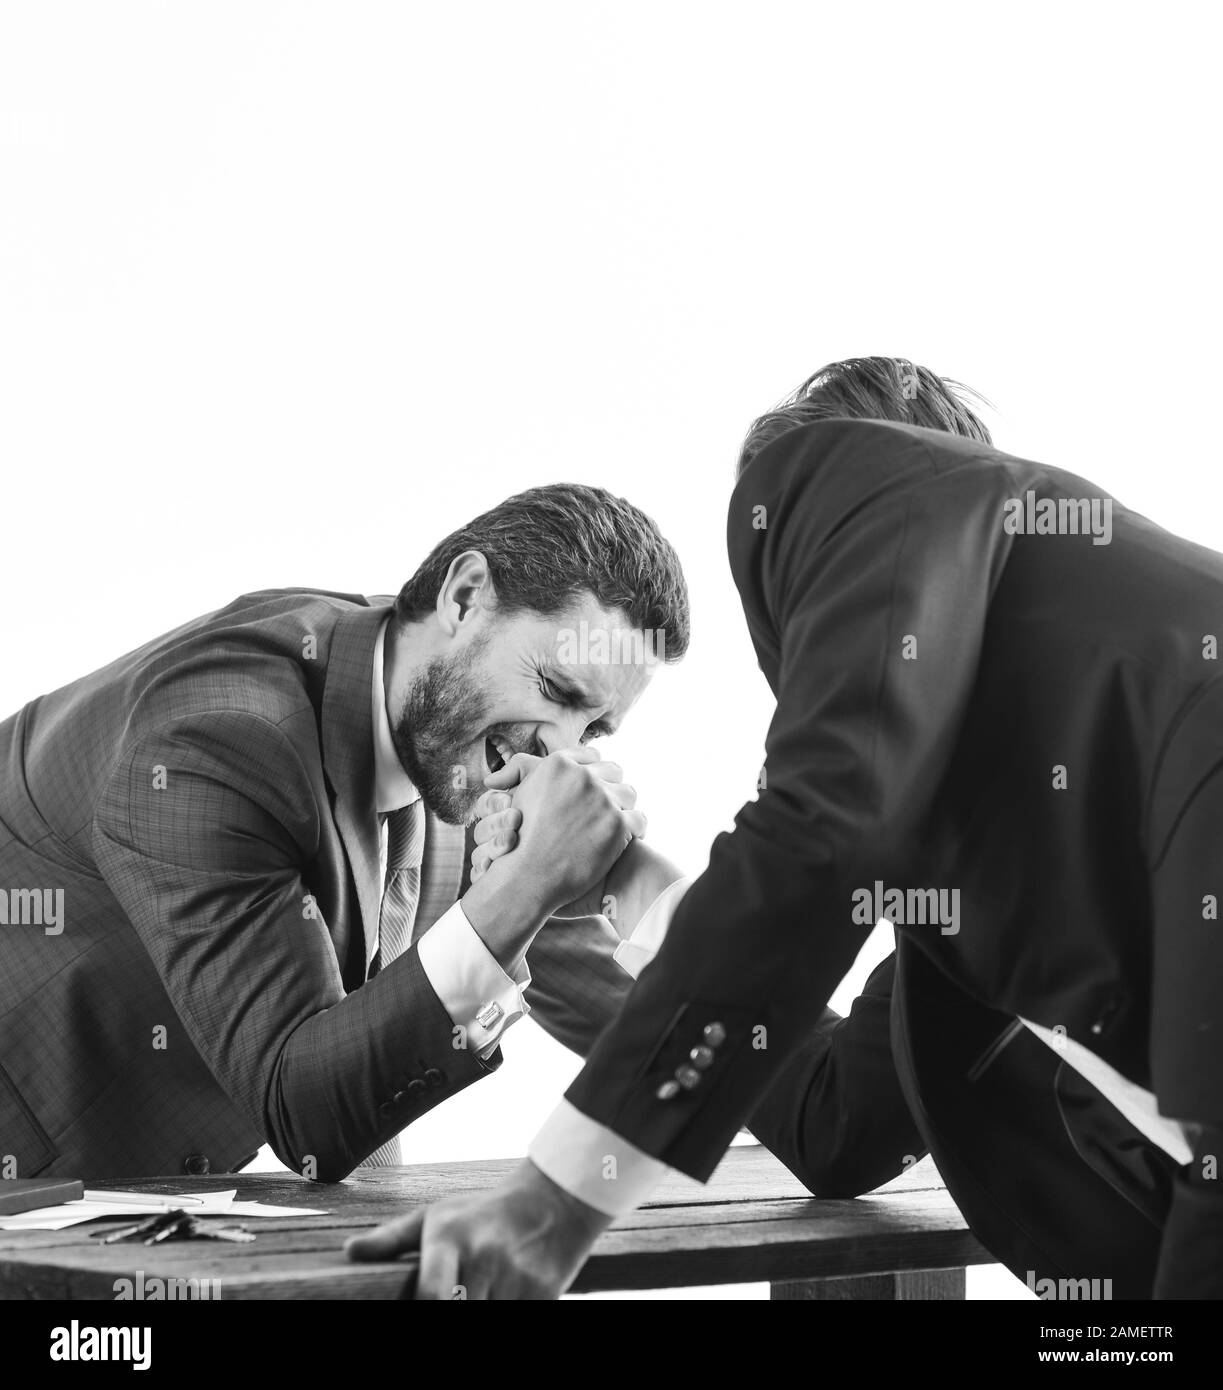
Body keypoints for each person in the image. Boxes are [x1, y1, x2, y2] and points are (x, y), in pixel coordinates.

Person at [348, 357, 1223, 1299]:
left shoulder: (838, 476)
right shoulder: (971, 900)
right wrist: (622, 883)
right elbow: (834, 1121)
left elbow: (814, 843)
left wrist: (555, 1201)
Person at [0, 484, 686, 1180]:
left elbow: (660, 1035)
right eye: (556, 690)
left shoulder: (451, 733)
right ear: (465, 597)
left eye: (594, 728)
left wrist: (638, 893)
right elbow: (308, 1118)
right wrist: (528, 883)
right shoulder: (220, 739)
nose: (560, 751)